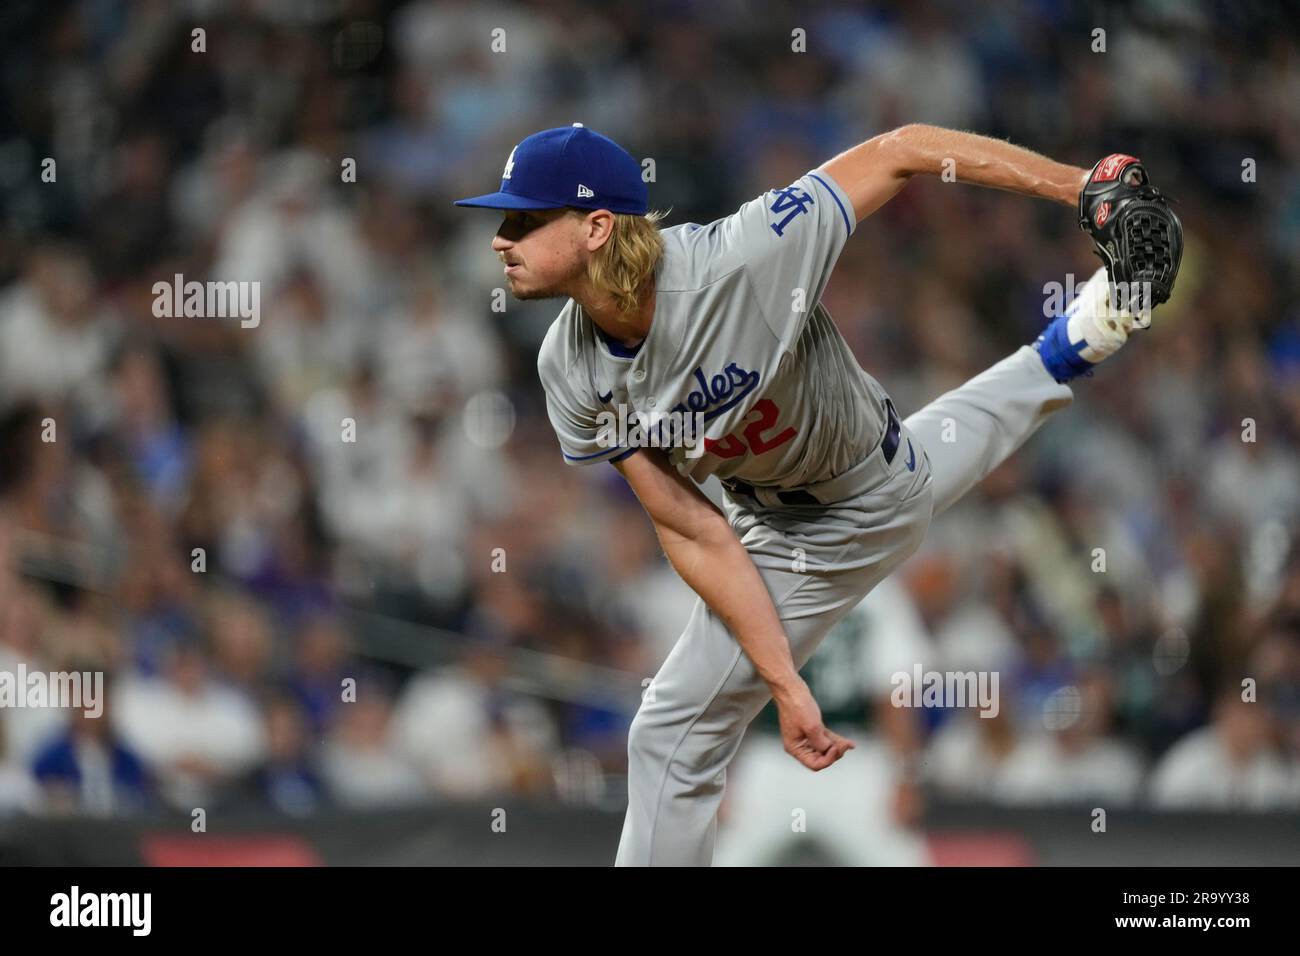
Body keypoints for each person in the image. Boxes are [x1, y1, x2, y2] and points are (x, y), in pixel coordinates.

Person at [454, 123, 1159, 866]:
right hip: (811, 500)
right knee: (943, 449)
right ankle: (1075, 342)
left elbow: (905, 149)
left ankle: (1069, 345)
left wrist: (1080, 185)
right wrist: (783, 677)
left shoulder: (742, 257)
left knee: (668, 735)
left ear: (597, 226)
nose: (502, 239)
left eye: (525, 219)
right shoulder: (569, 367)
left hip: (839, 514)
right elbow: (693, 529)